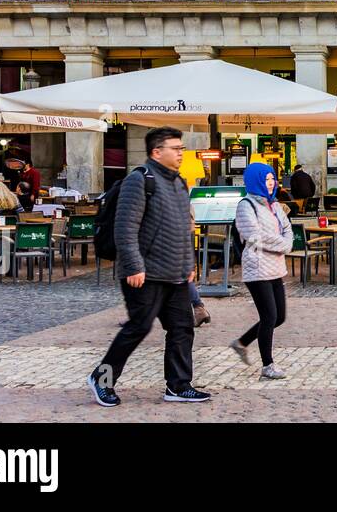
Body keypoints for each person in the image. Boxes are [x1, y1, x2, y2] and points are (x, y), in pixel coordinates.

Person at [89, 126, 211, 408]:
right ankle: (102, 378)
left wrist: (188, 265)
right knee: (138, 327)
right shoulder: (139, 180)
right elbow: (125, 227)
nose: (181, 153)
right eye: (176, 149)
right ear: (157, 152)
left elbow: (183, 228)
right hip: (144, 273)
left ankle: (179, 386)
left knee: (182, 327)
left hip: (176, 275)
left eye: (182, 148)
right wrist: (132, 266)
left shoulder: (179, 182)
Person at [229, 162, 293, 380]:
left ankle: (241, 343)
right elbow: (254, 236)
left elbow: (287, 228)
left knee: (279, 317)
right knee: (269, 316)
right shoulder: (246, 205)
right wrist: (283, 244)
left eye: (272, 179)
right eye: (265, 179)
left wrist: (285, 242)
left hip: (275, 266)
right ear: (255, 180)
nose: (270, 183)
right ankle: (268, 365)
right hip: (257, 266)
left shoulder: (274, 205)